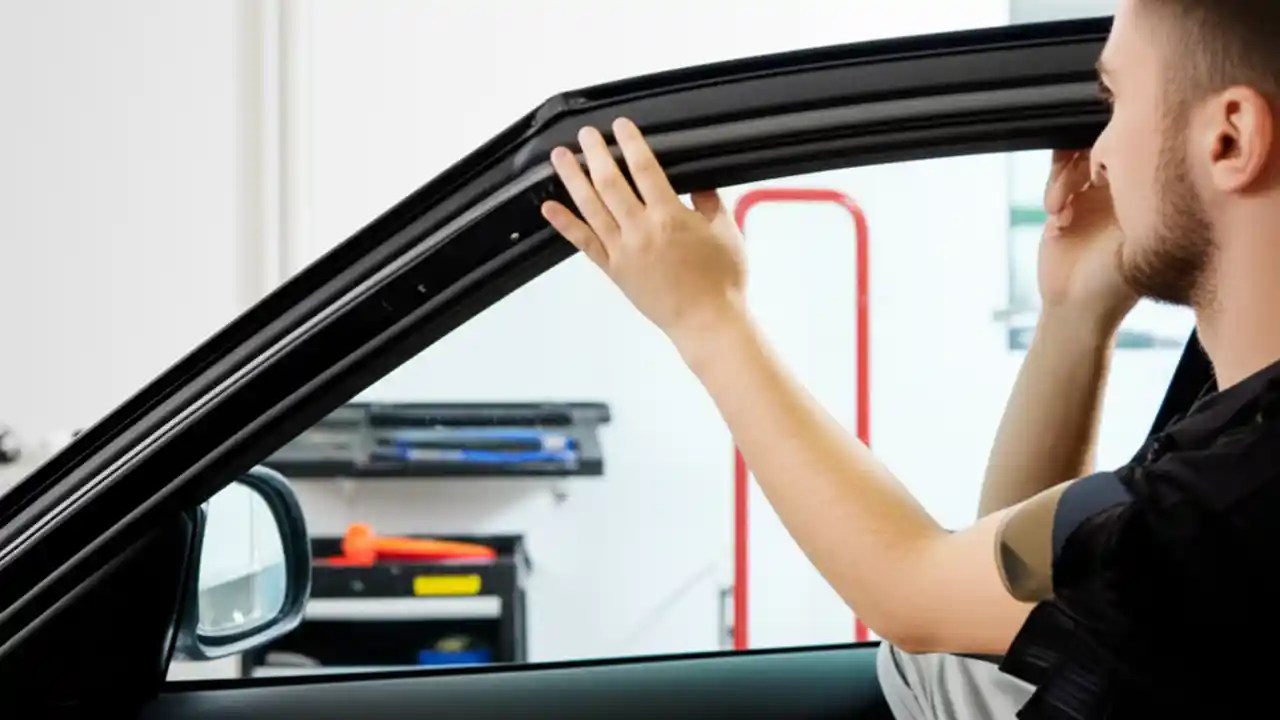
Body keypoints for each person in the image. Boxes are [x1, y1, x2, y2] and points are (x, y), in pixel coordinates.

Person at [541, 0, 1280, 716]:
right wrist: (1075, 314)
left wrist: (706, 316)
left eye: (1115, 102)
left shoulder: (1229, 497)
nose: (1103, 151)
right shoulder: (1234, 443)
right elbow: (1000, 614)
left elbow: (910, 595)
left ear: (1230, 138)